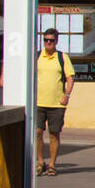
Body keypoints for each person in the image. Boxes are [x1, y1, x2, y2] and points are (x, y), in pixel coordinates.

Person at [35, 27, 76, 176]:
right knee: (38, 132)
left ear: (56, 41)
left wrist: (67, 95)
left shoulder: (62, 57)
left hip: (56, 103)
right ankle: (40, 162)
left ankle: (52, 164)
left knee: (54, 134)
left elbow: (70, 78)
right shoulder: (38, 56)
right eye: (46, 40)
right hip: (39, 102)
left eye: (51, 40)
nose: (48, 43)